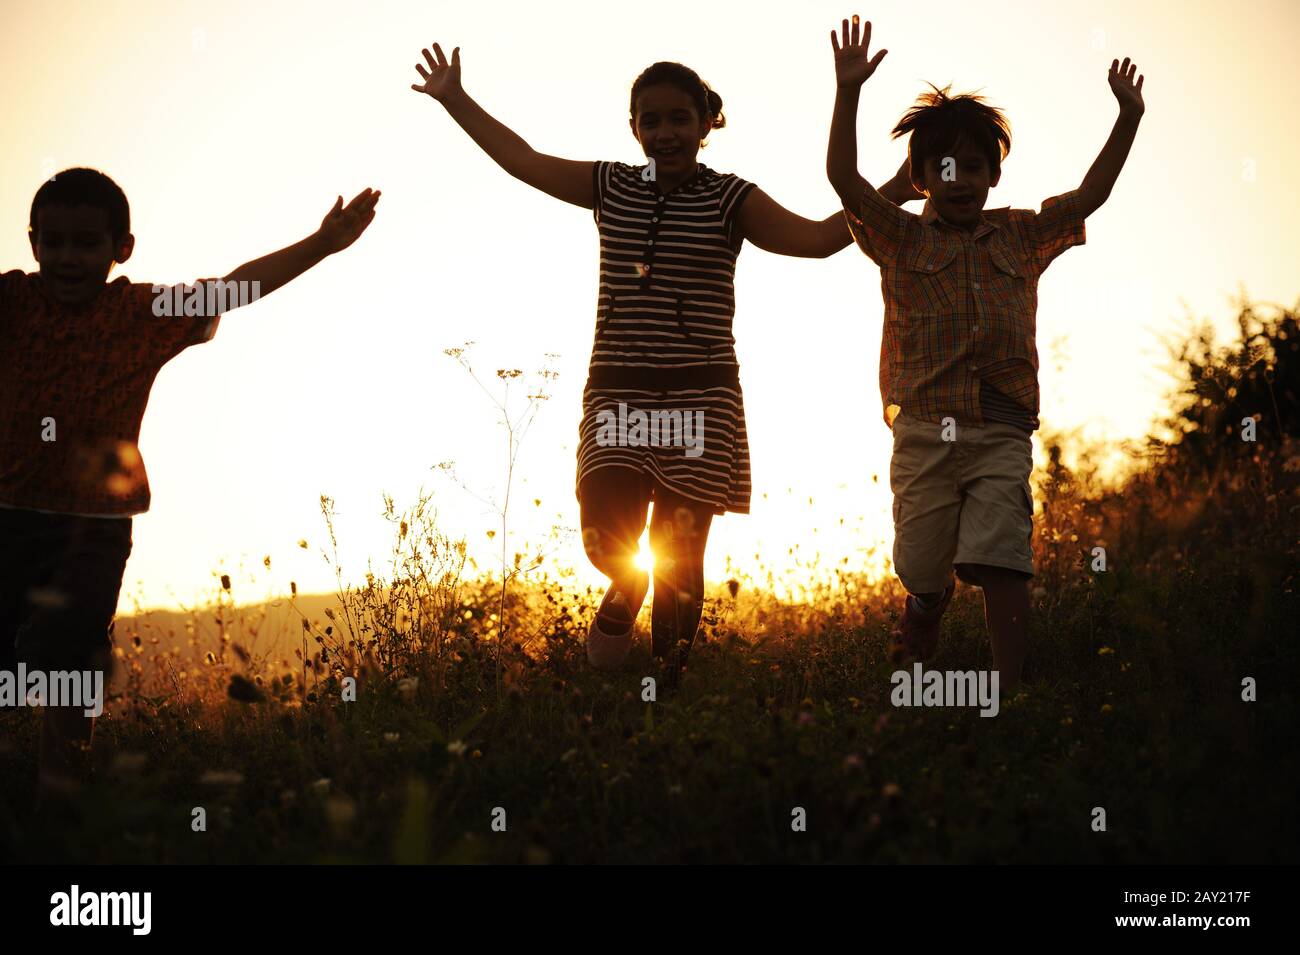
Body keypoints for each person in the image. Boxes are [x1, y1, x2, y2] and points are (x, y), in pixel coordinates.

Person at [410, 44, 923, 681]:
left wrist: (894, 187)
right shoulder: (612, 185)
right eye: (650, 121)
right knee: (604, 531)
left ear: (707, 123)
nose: (665, 133)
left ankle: (667, 691)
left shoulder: (732, 199)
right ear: (634, 130)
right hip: (617, 395)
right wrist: (456, 98)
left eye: (680, 118)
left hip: (701, 399)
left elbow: (818, 240)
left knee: (681, 556)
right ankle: (625, 594)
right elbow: (525, 161)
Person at [0, 167, 379, 797]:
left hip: (93, 529)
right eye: (55, 242)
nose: (68, 257)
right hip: (9, 514)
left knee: (71, 668)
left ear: (121, 249)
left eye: (87, 244)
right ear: (33, 241)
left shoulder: (143, 311)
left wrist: (321, 244)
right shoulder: (11, 303)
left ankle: (58, 797)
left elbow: (229, 290)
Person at [826, 15, 1145, 688]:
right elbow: (846, 181)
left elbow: (1092, 194)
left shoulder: (1021, 237)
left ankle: (1014, 687)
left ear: (995, 175)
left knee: (1002, 559)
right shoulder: (904, 239)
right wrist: (848, 90)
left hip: (1002, 425)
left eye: (974, 165)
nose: (960, 178)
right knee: (921, 560)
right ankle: (925, 603)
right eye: (944, 167)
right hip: (921, 430)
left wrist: (1128, 117)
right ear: (919, 179)